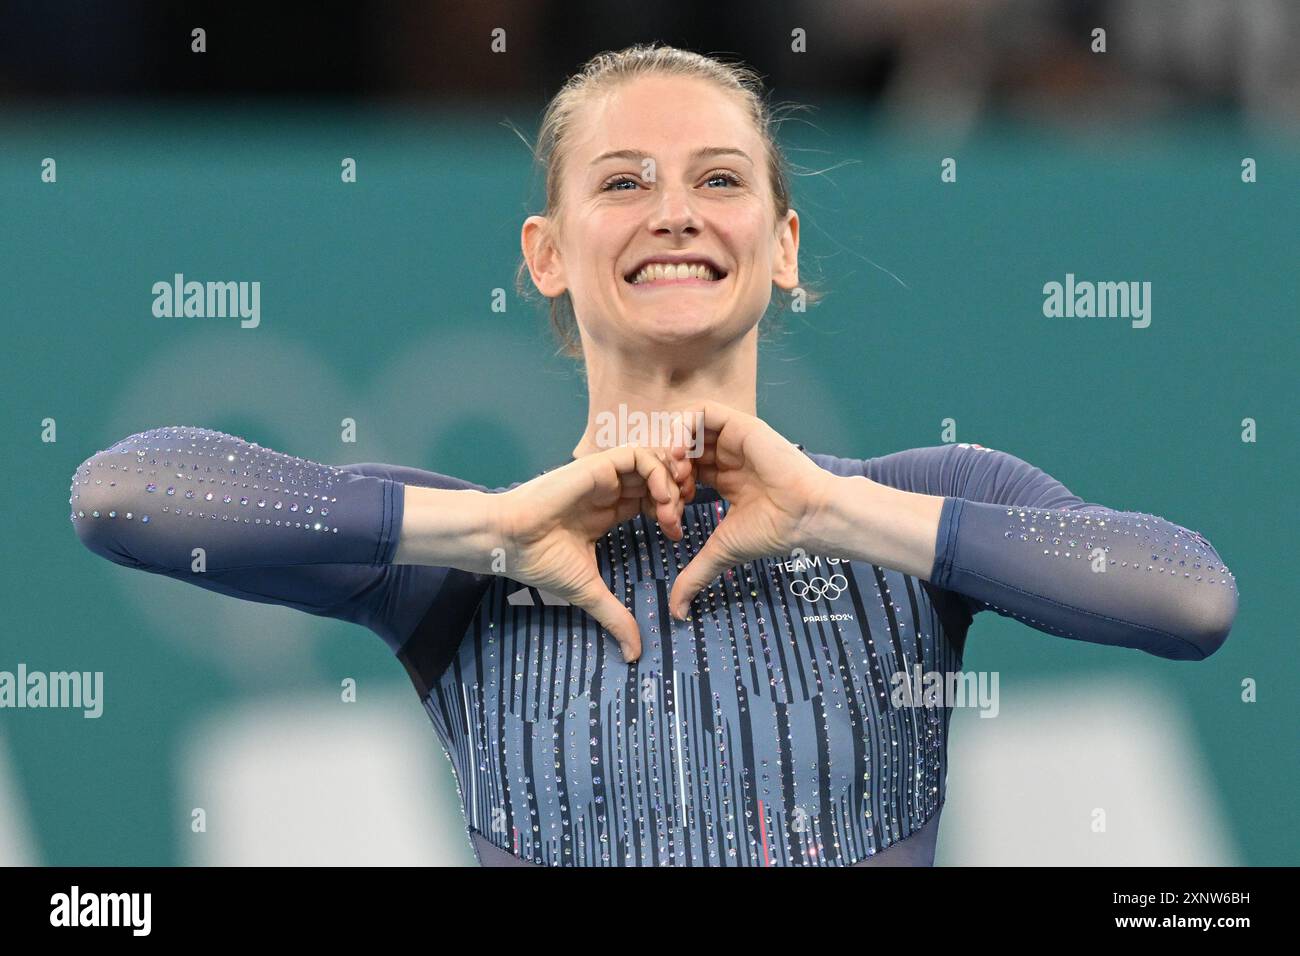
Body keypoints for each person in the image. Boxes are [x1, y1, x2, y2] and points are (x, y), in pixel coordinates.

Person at [67, 44, 1237, 867]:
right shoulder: (465, 556)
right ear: (546, 253)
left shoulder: (927, 501)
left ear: (781, 246)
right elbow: (125, 496)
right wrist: (489, 529)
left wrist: (836, 509)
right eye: (622, 182)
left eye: (718, 180)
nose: (673, 212)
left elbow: (1187, 596)